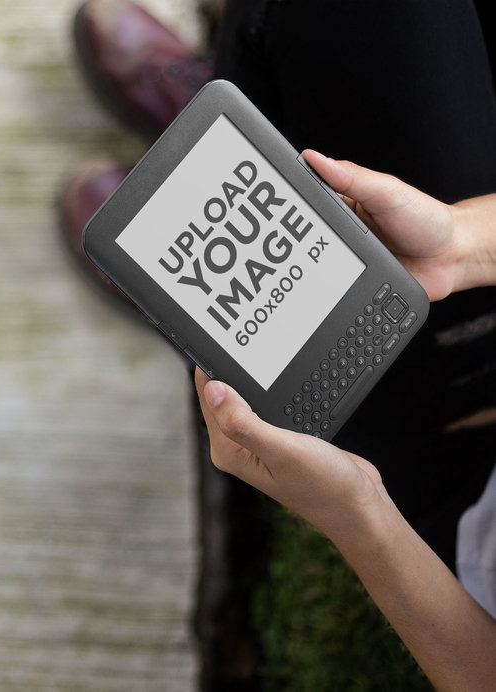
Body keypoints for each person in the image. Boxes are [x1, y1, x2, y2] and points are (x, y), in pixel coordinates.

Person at [59, 0, 496, 685]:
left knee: (264, 325)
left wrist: (358, 515)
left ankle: (189, 280)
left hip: (454, 470)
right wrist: (462, 244)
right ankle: (238, 141)